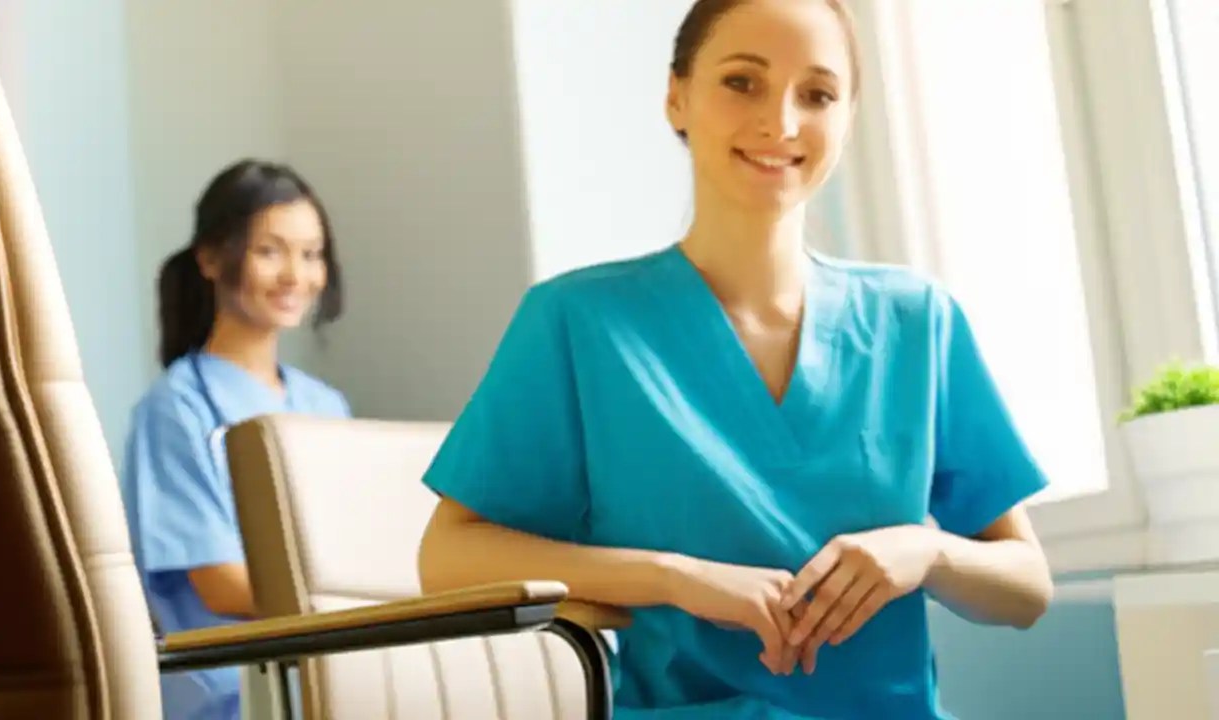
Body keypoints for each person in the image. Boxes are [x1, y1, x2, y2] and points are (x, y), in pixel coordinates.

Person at [417, 1, 1054, 718]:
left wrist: (926, 553)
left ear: (847, 117)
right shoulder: (577, 323)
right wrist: (672, 577)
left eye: (816, 94)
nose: (780, 123)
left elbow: (1027, 588)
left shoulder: (918, 320)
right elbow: (448, 559)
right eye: (742, 82)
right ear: (676, 97)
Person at [119, 159, 350, 720]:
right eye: (270, 251)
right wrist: (358, 603)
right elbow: (219, 583)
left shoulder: (326, 406)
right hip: (232, 699)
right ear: (211, 257)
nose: (296, 274)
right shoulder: (177, 407)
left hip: (336, 678)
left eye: (311, 253)